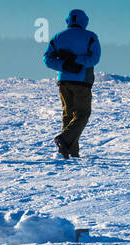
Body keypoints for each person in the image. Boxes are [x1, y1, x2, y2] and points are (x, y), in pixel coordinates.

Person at [43, 9, 101, 158]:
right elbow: (94, 59)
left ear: (68, 20)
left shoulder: (57, 37)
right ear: (84, 21)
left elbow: (47, 60)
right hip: (82, 81)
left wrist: (64, 64)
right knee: (83, 114)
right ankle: (64, 140)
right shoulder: (90, 37)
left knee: (68, 115)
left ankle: (69, 151)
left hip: (63, 81)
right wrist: (77, 60)